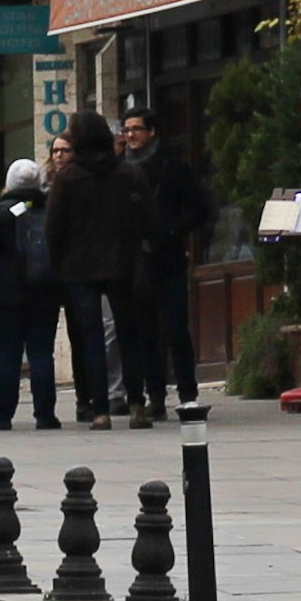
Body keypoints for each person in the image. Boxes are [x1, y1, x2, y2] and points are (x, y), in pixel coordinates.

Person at [117, 106, 213, 426]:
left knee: (175, 327)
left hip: (169, 256)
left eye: (136, 129)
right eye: (126, 130)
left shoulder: (173, 167)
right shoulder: (120, 171)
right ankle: (154, 395)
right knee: (144, 331)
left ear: (151, 132)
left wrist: (171, 230)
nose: (130, 135)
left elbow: (200, 208)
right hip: (135, 260)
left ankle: (188, 394)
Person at [48, 113, 143, 429]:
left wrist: (58, 263)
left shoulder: (68, 178)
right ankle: (136, 404)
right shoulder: (128, 173)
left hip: (80, 267)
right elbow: (147, 219)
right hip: (122, 263)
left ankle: (99, 409)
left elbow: (54, 227)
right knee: (128, 334)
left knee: (90, 339)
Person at [0, 154, 63, 429]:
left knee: (8, 354)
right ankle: (45, 414)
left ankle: (3, 415)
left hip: (6, 296)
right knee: (42, 353)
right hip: (44, 293)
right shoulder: (49, 210)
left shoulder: (0, 213)